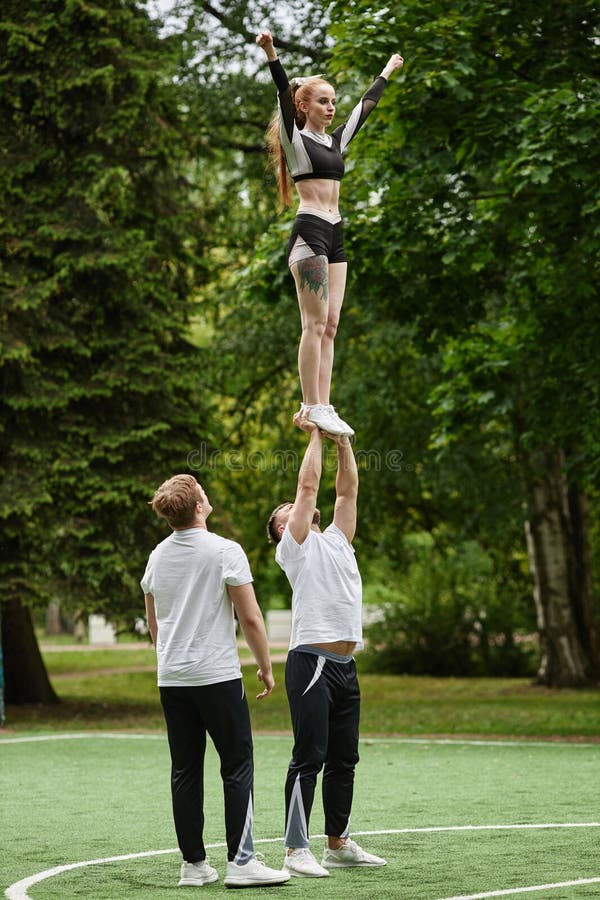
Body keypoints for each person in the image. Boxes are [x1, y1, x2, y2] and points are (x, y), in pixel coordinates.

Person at [141, 474, 290, 889]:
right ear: (199, 506)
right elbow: (251, 617)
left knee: (185, 769)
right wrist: (265, 666)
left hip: (172, 678)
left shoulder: (156, 556)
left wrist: (170, 659)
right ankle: (242, 861)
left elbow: (154, 624)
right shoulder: (225, 550)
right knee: (237, 764)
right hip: (216, 676)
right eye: (203, 494)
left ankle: (194, 866)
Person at [256, 29, 404, 438]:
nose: (332, 107)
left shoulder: (335, 142)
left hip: (336, 232)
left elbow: (365, 108)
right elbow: (282, 89)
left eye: (333, 101)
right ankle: (311, 404)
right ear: (303, 106)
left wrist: (387, 71)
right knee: (314, 323)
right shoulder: (295, 141)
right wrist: (271, 52)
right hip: (310, 233)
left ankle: (325, 403)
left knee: (332, 324)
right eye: (323, 101)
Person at [266, 413, 386, 878]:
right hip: (311, 662)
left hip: (345, 665)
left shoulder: (337, 540)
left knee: (344, 758)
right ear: (283, 529)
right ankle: (295, 849)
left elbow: (347, 492)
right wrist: (315, 429)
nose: (295, 508)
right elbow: (308, 486)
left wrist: (343, 440)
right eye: (287, 511)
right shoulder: (293, 548)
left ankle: (338, 842)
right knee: (309, 757)